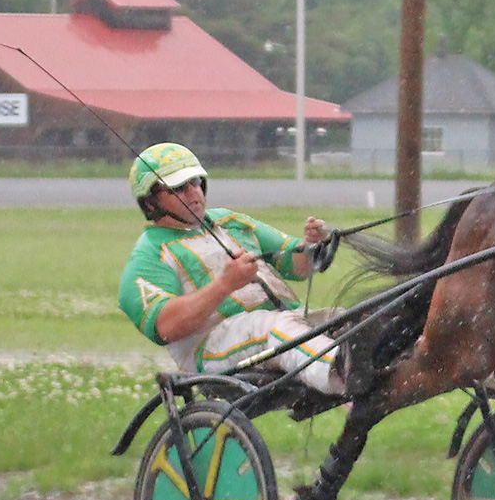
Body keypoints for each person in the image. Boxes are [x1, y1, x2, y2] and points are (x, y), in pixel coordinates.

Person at [118, 142, 358, 395]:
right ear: (150, 202)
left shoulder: (230, 221)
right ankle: (349, 381)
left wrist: (312, 245)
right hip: (212, 351)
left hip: (282, 322)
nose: (194, 192)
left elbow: (296, 265)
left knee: (347, 319)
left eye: (196, 182)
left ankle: (379, 373)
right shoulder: (149, 255)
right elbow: (166, 327)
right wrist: (225, 285)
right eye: (179, 187)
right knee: (274, 328)